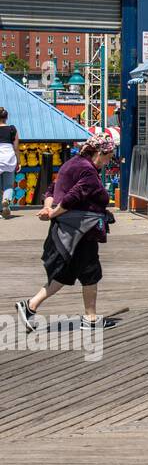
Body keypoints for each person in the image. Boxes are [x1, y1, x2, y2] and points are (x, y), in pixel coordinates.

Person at [15, 134, 116, 333]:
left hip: (68, 229)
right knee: (90, 271)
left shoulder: (71, 164)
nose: (108, 161)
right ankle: (91, 318)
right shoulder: (87, 170)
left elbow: (52, 188)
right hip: (80, 230)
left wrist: (48, 209)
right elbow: (73, 196)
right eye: (109, 156)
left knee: (65, 273)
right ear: (100, 152)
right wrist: (53, 212)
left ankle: (30, 306)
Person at [0, 107, 18, 219]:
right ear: (6, 117)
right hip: (9, 157)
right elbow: (16, 147)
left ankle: (1, 210)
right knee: (8, 185)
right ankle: (6, 201)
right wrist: (19, 162)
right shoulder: (12, 129)